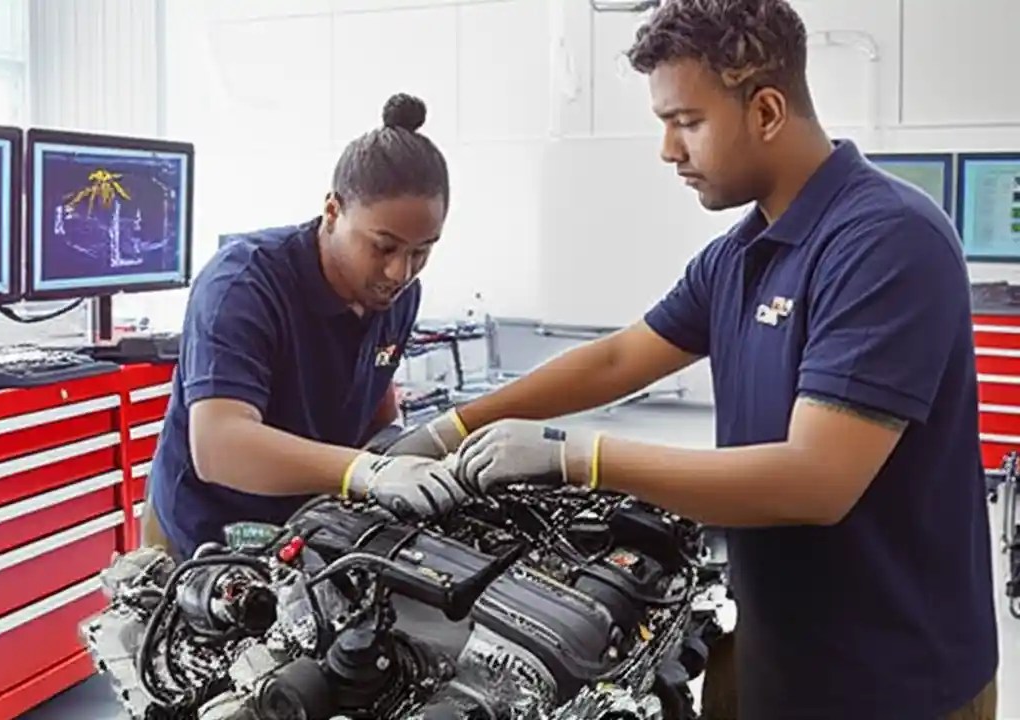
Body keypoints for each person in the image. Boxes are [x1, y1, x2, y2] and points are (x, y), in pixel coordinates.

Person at [386, 1, 999, 718]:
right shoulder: (738, 256)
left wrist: (574, 456)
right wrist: (454, 428)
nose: (668, 151)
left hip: (895, 679)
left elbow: (817, 480)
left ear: (766, 111)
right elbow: (619, 359)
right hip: (778, 647)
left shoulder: (885, 241)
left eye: (686, 122)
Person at [142, 93, 464, 561]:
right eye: (383, 246)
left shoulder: (396, 294)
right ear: (333, 211)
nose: (400, 271)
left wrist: (415, 458)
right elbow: (220, 445)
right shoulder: (243, 284)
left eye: (421, 251)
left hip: (307, 532)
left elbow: (374, 408)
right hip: (206, 538)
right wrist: (365, 473)